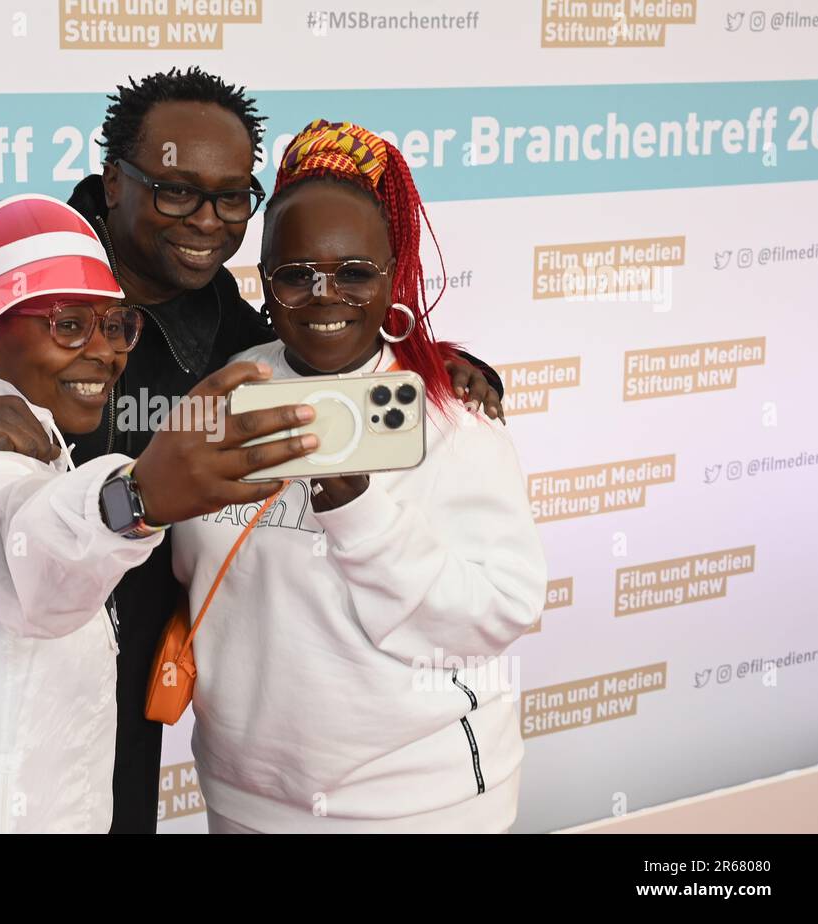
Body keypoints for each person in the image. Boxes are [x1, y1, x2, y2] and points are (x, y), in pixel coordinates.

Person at [0, 68, 507, 833]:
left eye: (232, 197)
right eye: (176, 191)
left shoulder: (228, 322)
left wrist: (425, 361)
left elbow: (316, 350)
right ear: (112, 182)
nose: (208, 222)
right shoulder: (20, 270)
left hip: (127, 662)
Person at [0, 194, 316, 832]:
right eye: (68, 325)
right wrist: (139, 498)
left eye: (114, 325)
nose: (105, 352)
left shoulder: (29, 438)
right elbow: (20, 545)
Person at [171, 120, 547, 833]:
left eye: (354, 272)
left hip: (421, 804)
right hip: (246, 800)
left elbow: (504, 609)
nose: (324, 295)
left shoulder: (451, 414)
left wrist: (363, 515)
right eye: (294, 273)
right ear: (265, 281)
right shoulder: (224, 395)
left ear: (392, 273)